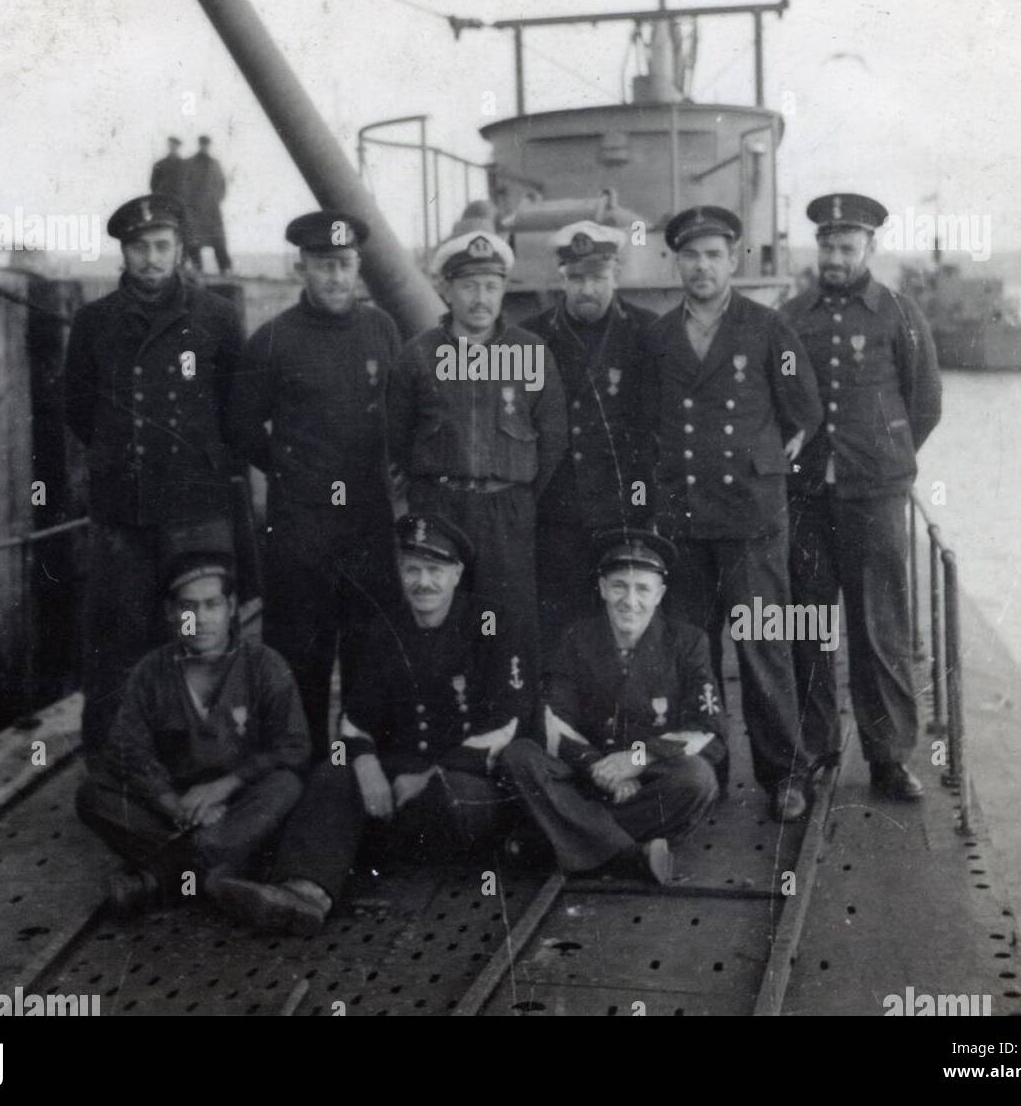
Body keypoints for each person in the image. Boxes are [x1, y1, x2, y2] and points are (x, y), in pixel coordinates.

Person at [253, 514, 528, 934]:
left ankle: (358, 849)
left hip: (462, 779)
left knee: (455, 798)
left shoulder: (488, 622)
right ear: (400, 572)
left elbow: (507, 722)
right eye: (412, 570)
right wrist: (366, 767)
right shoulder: (386, 628)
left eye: (435, 570)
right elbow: (354, 720)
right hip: (397, 778)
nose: (424, 583)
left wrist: (431, 774)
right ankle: (304, 894)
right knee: (333, 774)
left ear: (457, 574)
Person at [641, 205, 822, 821]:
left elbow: (805, 412)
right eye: (691, 255)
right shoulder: (659, 338)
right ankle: (706, 768)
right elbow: (645, 427)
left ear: (733, 259)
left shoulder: (769, 329)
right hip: (683, 520)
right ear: (677, 262)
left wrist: (767, 462)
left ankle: (786, 774)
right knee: (693, 652)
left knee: (763, 645)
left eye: (713, 254)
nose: (701, 266)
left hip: (750, 518)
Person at [63, 193, 245, 761]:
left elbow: (234, 410)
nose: (150, 258)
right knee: (119, 639)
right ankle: (116, 764)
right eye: (139, 247)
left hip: (197, 509)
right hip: (125, 510)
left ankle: (209, 754)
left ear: (179, 251)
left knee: (204, 635)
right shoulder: (94, 323)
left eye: (161, 247)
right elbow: (79, 409)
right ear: (124, 251)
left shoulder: (215, 317)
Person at [782, 193, 943, 801]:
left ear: (869, 249)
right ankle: (816, 752)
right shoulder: (794, 317)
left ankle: (888, 758)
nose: (834, 256)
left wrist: (885, 461)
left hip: (874, 496)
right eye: (826, 245)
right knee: (810, 623)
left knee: (880, 626)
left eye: (847, 247)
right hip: (807, 495)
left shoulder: (899, 314)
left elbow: (924, 402)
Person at [230, 210, 401, 759]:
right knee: (299, 657)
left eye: (345, 265)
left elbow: (400, 411)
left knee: (369, 654)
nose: (335, 278)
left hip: (368, 526)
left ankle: (358, 767)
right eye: (323, 266)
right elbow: (239, 426)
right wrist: (287, 468)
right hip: (299, 532)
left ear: (358, 268)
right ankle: (300, 773)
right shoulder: (273, 340)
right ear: (302, 267)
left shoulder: (381, 330)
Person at [76, 550, 310, 921]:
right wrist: (172, 802)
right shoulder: (151, 672)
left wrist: (228, 784)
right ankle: (218, 872)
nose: (200, 619)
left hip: (239, 806)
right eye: (188, 607)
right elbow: (126, 747)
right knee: (93, 795)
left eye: (212, 604)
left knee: (286, 785)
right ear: (170, 612)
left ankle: (161, 877)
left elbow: (294, 746)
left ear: (231, 607)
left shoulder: (264, 665)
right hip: (179, 811)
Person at [386, 228, 567, 673]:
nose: (480, 298)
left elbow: (553, 438)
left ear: (504, 289)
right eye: (468, 286)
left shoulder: (531, 352)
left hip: (507, 513)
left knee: (510, 628)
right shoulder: (418, 356)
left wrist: (511, 489)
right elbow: (396, 438)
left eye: (490, 286)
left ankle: (518, 734)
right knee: (443, 625)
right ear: (447, 290)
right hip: (440, 510)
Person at [500, 529, 726, 883]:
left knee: (697, 780)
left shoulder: (687, 642)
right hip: (587, 776)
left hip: (648, 781)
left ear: (660, 595)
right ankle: (628, 855)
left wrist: (635, 761)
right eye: (619, 586)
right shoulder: (576, 638)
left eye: (643, 589)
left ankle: (558, 837)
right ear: (603, 588)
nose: (629, 600)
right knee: (520, 755)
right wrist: (600, 770)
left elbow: (707, 726)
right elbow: (553, 718)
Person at [521, 221, 656, 646]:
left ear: (616, 274)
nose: (587, 289)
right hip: (555, 512)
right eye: (576, 278)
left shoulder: (645, 331)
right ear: (561, 278)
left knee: (621, 626)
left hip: (623, 510)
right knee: (557, 629)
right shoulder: (532, 337)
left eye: (598, 277)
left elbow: (654, 427)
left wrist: (644, 506)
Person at [181, 134, 232, 274]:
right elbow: (184, 185)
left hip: (212, 210)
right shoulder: (189, 163)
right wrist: (189, 204)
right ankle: (198, 269)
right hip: (195, 210)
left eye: (207, 144)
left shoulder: (215, 164)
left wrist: (216, 199)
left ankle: (225, 269)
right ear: (199, 145)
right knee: (193, 240)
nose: (205, 147)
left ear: (209, 146)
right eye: (202, 144)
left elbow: (222, 185)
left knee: (218, 240)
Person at [149, 135, 186, 205]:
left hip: (179, 200)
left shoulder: (185, 165)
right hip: (163, 199)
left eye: (175, 146)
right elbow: (153, 184)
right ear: (169, 146)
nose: (173, 148)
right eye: (171, 146)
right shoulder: (160, 164)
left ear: (178, 147)